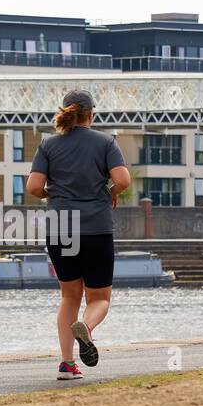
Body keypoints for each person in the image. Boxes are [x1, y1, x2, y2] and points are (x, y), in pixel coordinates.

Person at [26, 89, 131, 380]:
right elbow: (123, 179)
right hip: (96, 228)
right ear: (91, 115)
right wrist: (110, 192)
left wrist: (53, 195)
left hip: (61, 227)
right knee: (99, 298)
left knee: (68, 297)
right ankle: (87, 327)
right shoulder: (105, 142)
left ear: (66, 113)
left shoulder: (48, 145)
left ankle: (66, 365)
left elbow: (33, 187)